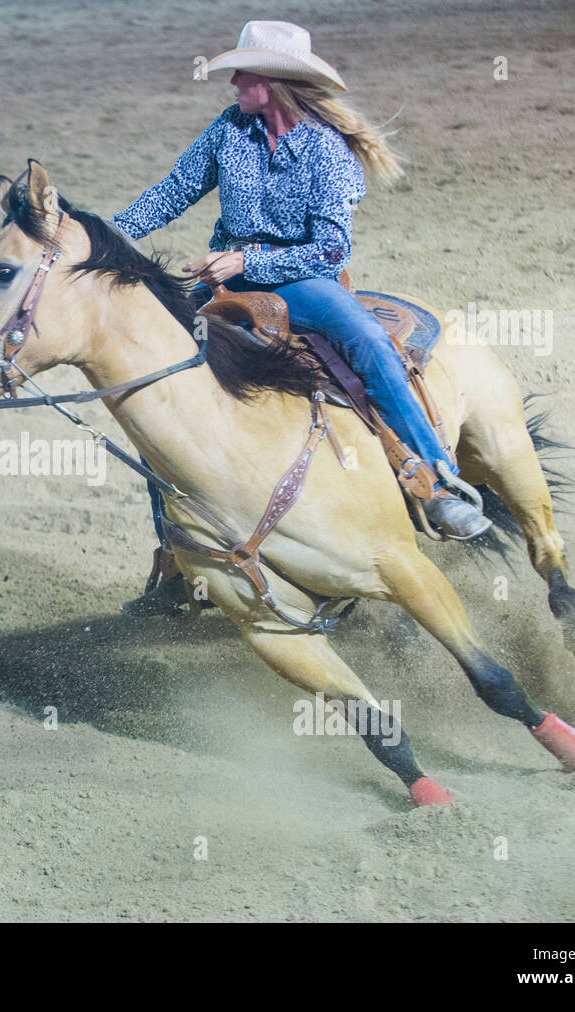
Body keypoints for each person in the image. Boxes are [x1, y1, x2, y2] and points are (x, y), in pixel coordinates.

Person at [111, 21, 491, 615]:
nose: (234, 81)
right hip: (231, 278)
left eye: (245, 72)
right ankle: (174, 557)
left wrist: (248, 258)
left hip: (302, 278)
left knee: (367, 340)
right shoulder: (229, 131)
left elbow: (331, 248)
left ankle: (436, 481)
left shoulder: (327, 150)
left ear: (276, 82)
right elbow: (175, 189)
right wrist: (105, 239)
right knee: (163, 383)